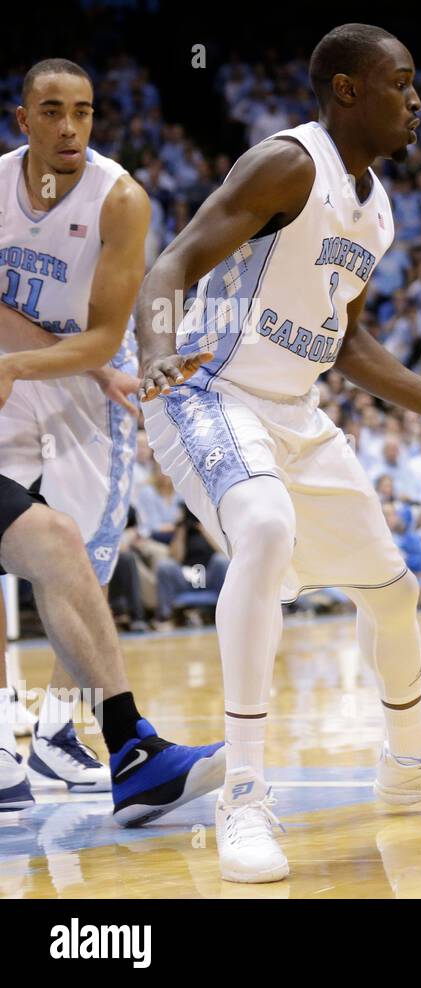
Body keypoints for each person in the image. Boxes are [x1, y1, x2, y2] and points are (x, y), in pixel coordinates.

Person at [133, 24, 421, 883]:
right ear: (348, 90)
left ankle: (410, 758)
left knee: (394, 593)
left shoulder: (379, 207)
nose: (419, 100)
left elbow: (346, 343)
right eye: (402, 83)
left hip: (296, 409)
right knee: (266, 528)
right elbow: (170, 264)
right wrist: (155, 353)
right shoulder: (288, 164)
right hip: (207, 390)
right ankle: (243, 792)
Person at [0, 57, 223, 819]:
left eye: (84, 112)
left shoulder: (120, 200)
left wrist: (90, 374)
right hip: (14, 363)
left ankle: (62, 731)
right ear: (22, 119)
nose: (69, 127)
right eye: (52, 111)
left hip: (82, 373)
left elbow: (99, 338)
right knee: (27, 543)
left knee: (83, 558)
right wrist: (15, 363)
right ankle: (7, 739)